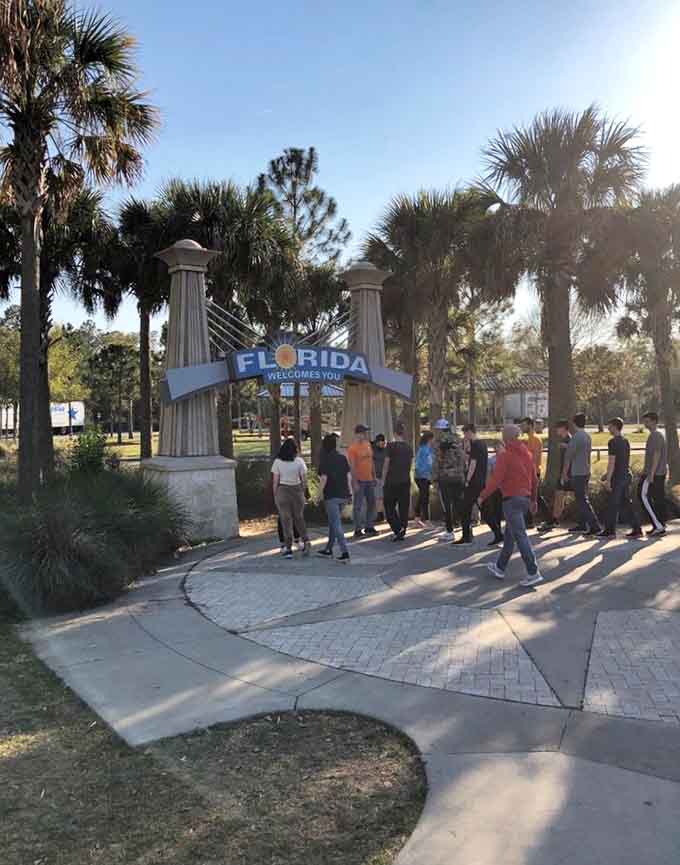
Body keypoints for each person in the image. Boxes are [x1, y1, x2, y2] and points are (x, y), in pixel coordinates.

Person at [479, 425, 543, 587]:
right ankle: (500, 567)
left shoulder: (504, 456)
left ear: (505, 438)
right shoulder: (527, 455)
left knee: (520, 535)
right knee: (510, 535)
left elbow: (496, 480)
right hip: (524, 499)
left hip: (511, 500)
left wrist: (482, 496)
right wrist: (534, 500)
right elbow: (535, 480)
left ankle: (533, 571)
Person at [600, 417, 642, 539]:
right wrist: (607, 474)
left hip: (618, 478)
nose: (608, 428)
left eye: (609, 426)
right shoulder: (625, 441)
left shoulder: (612, 442)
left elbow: (612, 462)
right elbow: (623, 461)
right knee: (625, 503)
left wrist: (608, 480)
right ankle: (637, 528)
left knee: (613, 504)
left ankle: (609, 531)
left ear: (614, 426)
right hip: (626, 475)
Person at [562, 413, 602, 536]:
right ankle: (582, 524)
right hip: (585, 471)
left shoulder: (576, 437)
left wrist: (564, 473)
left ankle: (594, 525)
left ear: (574, 423)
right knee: (582, 499)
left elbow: (568, 456)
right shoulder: (587, 436)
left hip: (577, 472)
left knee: (582, 500)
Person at [271, 438, 310, 558]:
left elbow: (275, 481)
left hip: (282, 490)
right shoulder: (299, 461)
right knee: (299, 518)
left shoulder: (277, 462)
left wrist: (275, 495)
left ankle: (288, 548)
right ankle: (306, 541)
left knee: (285, 520)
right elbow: (304, 480)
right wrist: (303, 492)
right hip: (297, 490)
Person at [317, 433, 352, 562]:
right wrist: (350, 493)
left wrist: (318, 495)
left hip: (331, 496)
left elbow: (324, 480)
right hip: (343, 495)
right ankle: (328, 549)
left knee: (336, 525)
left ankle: (345, 553)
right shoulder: (342, 458)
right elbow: (349, 477)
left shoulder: (324, 460)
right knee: (333, 523)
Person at [432, 419, 466, 541]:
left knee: (446, 505)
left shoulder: (438, 442)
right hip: (458, 476)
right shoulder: (458, 439)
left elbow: (436, 461)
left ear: (440, 430)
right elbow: (463, 457)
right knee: (459, 504)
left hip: (445, 477)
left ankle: (449, 531)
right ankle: (466, 530)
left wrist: (434, 479)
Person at [455, 424, 488, 544]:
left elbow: (473, 464)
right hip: (480, 480)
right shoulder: (482, 444)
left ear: (470, 432)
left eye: (465, 433)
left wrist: (467, 480)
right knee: (481, 508)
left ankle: (466, 536)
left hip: (473, 482)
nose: (465, 436)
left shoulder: (475, 444)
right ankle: (497, 533)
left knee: (465, 508)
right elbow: (472, 459)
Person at [382, 421, 414, 541]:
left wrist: (383, 481)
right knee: (403, 507)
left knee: (389, 506)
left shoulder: (390, 446)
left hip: (391, 481)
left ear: (394, 433)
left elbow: (386, 464)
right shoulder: (409, 447)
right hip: (405, 481)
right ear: (403, 433)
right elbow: (410, 465)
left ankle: (397, 528)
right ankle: (403, 529)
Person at [538, 420, 572, 532]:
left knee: (559, 496)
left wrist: (564, 474)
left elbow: (571, 456)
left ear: (564, 428)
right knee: (559, 496)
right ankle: (554, 520)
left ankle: (553, 521)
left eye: (558, 428)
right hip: (564, 472)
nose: (557, 430)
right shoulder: (565, 440)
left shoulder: (569, 440)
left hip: (567, 473)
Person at [347, 424, 378, 538]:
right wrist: (354, 482)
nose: (365, 435)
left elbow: (371, 461)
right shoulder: (352, 449)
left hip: (369, 479)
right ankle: (357, 529)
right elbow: (352, 467)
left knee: (372, 503)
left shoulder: (368, 444)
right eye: (363, 433)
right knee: (358, 506)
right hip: (359, 480)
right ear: (357, 434)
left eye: (365, 433)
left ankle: (369, 526)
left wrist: (374, 476)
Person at [639, 411, 668, 536]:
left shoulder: (655, 435)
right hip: (657, 473)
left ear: (654, 421)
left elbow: (657, 454)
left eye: (647, 421)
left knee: (642, 495)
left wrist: (650, 473)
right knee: (657, 499)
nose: (645, 424)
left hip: (654, 474)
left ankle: (658, 525)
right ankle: (660, 524)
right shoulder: (657, 434)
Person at [520, 417, 550, 526]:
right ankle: (529, 521)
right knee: (530, 496)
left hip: (533, 472)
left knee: (535, 496)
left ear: (530, 425)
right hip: (528, 472)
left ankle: (549, 519)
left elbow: (535, 458)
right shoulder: (528, 440)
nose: (521, 427)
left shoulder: (536, 439)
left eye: (523, 425)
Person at [481, 440, 504, 545]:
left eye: (498, 446)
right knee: (494, 512)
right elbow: (488, 475)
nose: (496, 448)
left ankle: (505, 536)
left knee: (504, 512)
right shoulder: (491, 460)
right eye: (495, 447)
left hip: (507, 489)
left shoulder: (508, 458)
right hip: (495, 489)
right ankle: (498, 534)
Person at [414, 431, 435, 526]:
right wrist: (427, 474)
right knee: (424, 497)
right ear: (429, 439)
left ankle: (417, 518)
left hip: (425, 476)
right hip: (422, 477)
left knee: (422, 497)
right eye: (432, 439)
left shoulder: (428, 449)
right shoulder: (424, 449)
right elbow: (419, 464)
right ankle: (426, 520)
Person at [372, 434, 387, 522]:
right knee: (379, 497)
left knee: (380, 496)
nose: (383, 444)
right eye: (381, 442)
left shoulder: (384, 450)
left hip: (383, 476)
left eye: (383, 442)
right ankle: (380, 513)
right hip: (377, 476)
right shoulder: (374, 450)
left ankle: (380, 514)